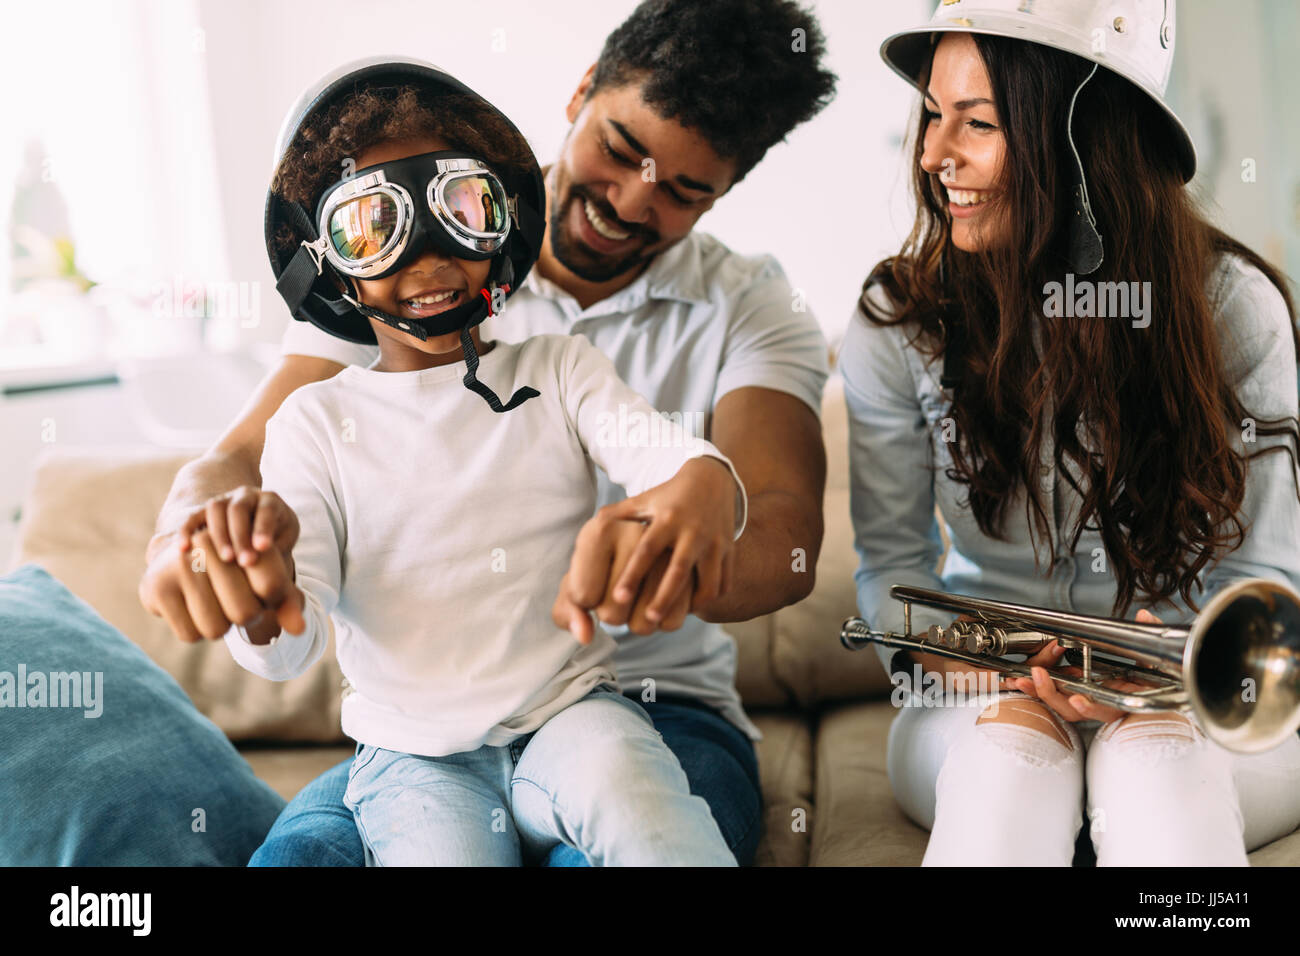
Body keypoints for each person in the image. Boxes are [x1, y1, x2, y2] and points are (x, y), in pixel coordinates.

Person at [139, 0, 837, 866]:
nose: (626, 202)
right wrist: (201, 543)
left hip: (635, 698)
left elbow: (783, 529)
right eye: (619, 151)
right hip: (422, 734)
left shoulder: (732, 311)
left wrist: (687, 533)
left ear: (726, 190)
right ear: (584, 91)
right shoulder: (380, 280)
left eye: (683, 191)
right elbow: (243, 466)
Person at [843, 0, 1300, 866]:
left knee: (1150, 759)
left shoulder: (1236, 311)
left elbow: (1264, 590)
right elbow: (891, 576)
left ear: (1087, 140)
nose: (936, 157)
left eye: (976, 122)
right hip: (976, 696)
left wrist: (1149, 688)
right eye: (934, 117)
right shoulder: (896, 321)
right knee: (1012, 760)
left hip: (1197, 702)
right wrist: (986, 677)